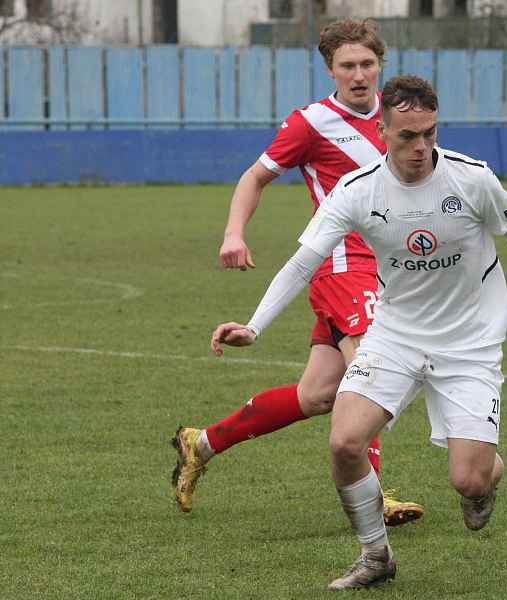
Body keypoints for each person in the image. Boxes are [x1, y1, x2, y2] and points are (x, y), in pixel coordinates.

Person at [209, 75, 507, 590]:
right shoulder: (356, 191)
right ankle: (376, 556)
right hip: (394, 335)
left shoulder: (473, 179)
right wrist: (255, 325)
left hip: (470, 343)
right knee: (345, 442)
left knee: (467, 478)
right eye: (407, 137)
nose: (421, 147)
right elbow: (304, 261)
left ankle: (484, 480)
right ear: (383, 131)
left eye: (429, 133)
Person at [170, 19, 424, 527]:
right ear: (329, 69)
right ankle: (372, 497)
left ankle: (202, 443)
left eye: (367, 64)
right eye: (347, 65)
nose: (358, 74)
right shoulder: (310, 122)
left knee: (319, 396)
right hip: (342, 264)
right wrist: (233, 233)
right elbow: (255, 176)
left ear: (380, 66)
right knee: (372, 371)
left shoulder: (399, 117)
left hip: (391, 268)